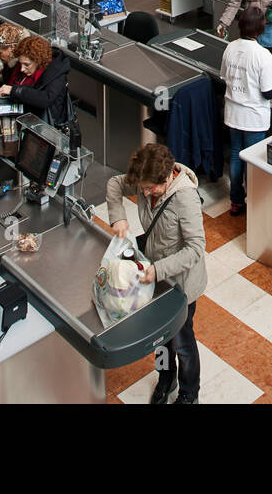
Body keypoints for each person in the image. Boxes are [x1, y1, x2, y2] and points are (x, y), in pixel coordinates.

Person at [107, 144, 206, 404]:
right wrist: (117, 217)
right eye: (143, 188)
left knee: (182, 343)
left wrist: (158, 269)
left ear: (167, 178)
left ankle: (189, 392)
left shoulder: (185, 198)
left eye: (151, 188)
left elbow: (196, 248)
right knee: (160, 340)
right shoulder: (145, 183)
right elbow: (115, 184)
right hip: (155, 281)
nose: (146, 192)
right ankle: (165, 379)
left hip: (180, 285)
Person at [221, 7, 272, 217]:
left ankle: (236, 201)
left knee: (236, 156)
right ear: (261, 29)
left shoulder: (230, 48)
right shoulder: (262, 55)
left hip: (233, 113)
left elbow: (224, 77)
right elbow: (269, 92)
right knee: (253, 161)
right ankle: (255, 202)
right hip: (254, 118)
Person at [0, 34, 73, 129]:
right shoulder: (24, 68)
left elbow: (45, 99)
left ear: (38, 61)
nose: (22, 69)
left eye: (27, 65)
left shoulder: (56, 74)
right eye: (21, 64)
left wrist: (14, 90)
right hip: (26, 120)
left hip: (46, 127)